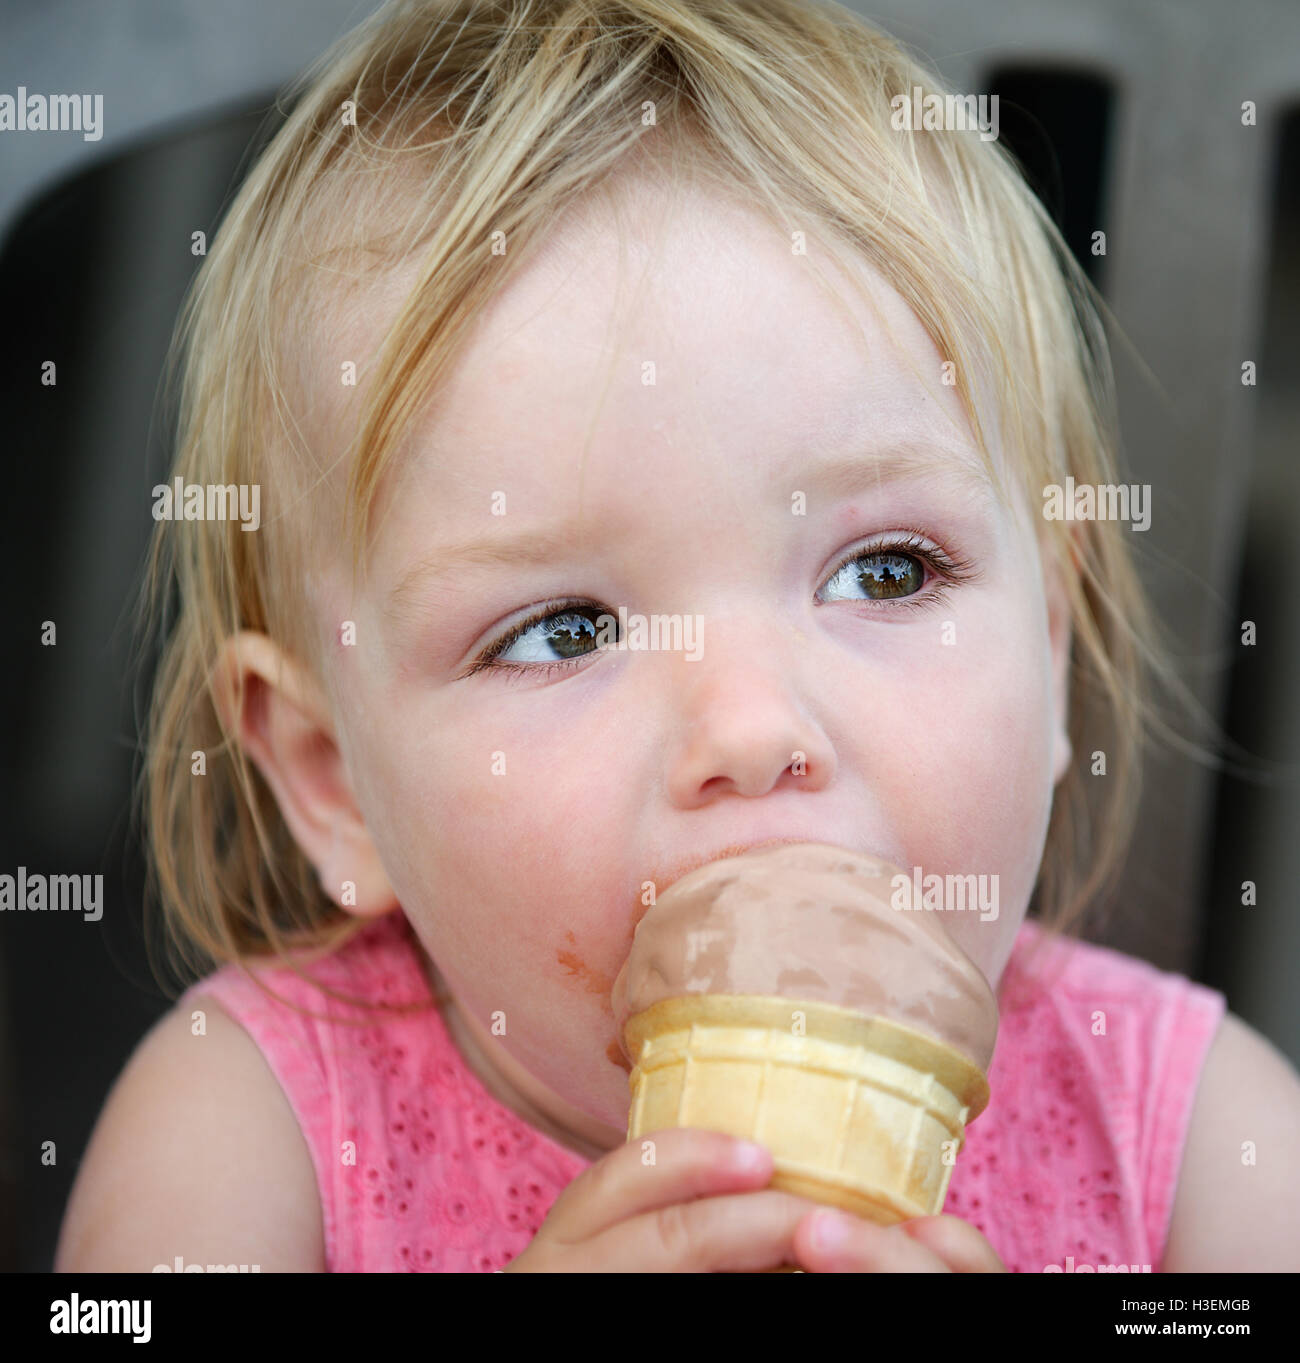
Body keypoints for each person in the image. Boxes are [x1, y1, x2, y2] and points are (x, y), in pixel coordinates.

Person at [55, 0, 1300, 1272]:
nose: (752, 729)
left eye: (885, 570)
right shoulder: (246, 1136)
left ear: (1048, 644)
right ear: (332, 784)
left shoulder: (1204, 1149)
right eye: (561, 631)